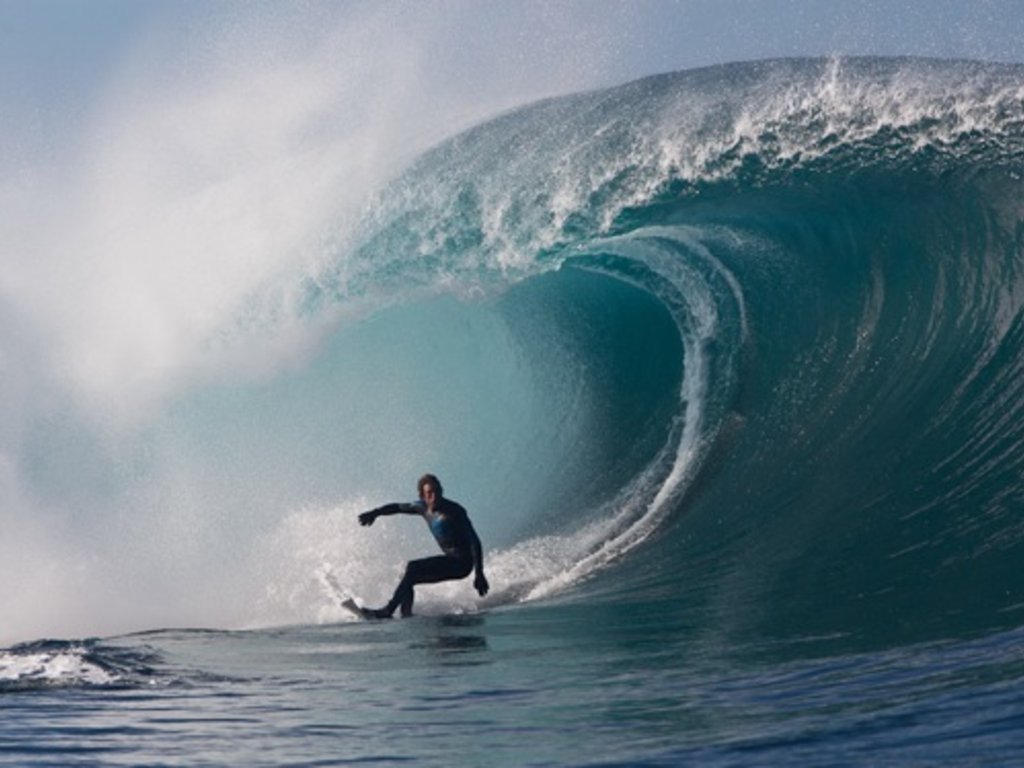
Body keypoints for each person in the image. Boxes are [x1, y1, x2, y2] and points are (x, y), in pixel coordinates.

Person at [357, 474, 489, 618]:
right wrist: (375, 513)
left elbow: (474, 541)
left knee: (413, 568)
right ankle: (406, 614)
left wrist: (479, 573)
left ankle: (387, 611)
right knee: (408, 575)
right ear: (423, 496)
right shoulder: (422, 507)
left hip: (462, 564)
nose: (434, 496)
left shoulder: (455, 511)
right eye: (430, 493)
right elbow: (397, 507)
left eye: (437, 491)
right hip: (449, 560)